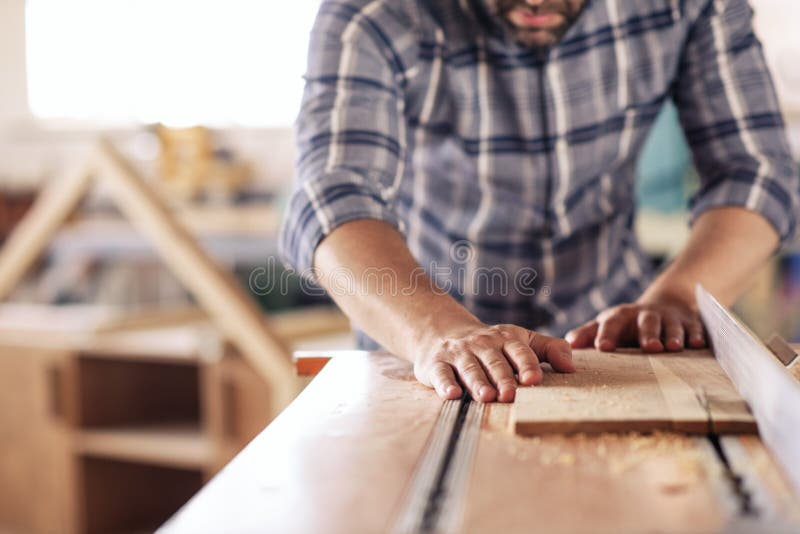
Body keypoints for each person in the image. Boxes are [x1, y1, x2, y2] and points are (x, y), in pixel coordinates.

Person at [279, 0, 800, 402]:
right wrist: (435, 331)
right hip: (422, 343)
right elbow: (333, 195)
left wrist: (678, 298)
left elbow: (757, 171)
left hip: (616, 345)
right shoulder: (373, 12)